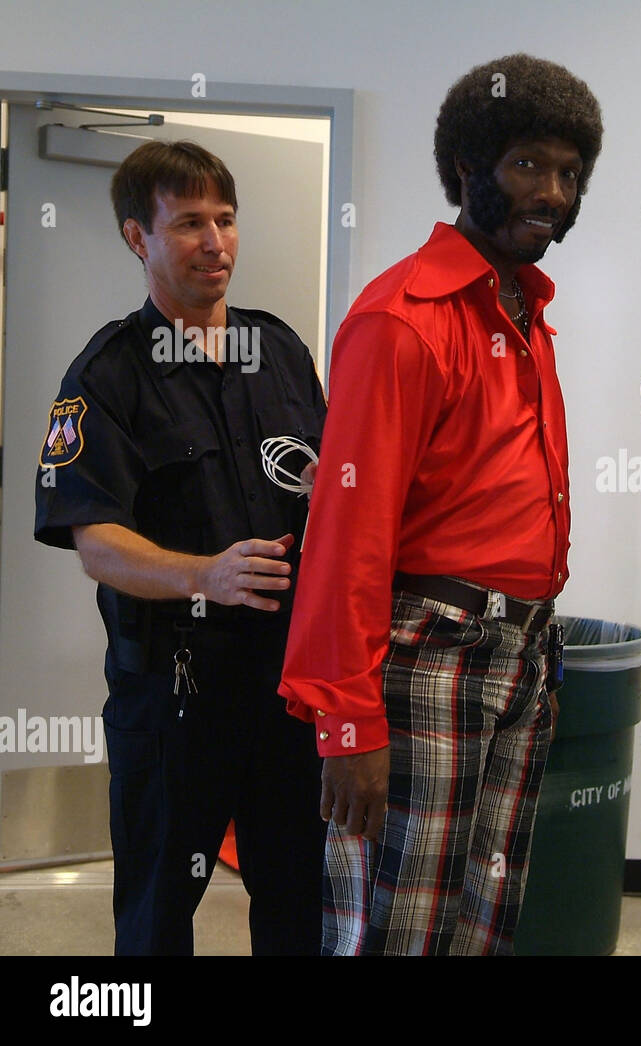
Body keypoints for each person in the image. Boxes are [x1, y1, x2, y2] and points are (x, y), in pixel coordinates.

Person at [278, 53, 602, 956]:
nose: (554, 192)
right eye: (530, 164)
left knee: (484, 915)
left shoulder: (523, 309)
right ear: (468, 166)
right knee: (397, 925)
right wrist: (347, 719)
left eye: (571, 173)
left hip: (523, 648)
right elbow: (345, 533)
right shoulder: (403, 319)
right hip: (429, 653)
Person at [33, 140, 328, 955]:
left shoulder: (281, 353)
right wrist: (208, 574)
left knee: (302, 902)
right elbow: (96, 541)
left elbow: (334, 497)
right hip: (173, 696)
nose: (216, 242)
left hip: (287, 692)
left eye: (226, 220)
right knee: (158, 914)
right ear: (139, 237)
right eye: (190, 222)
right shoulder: (106, 375)